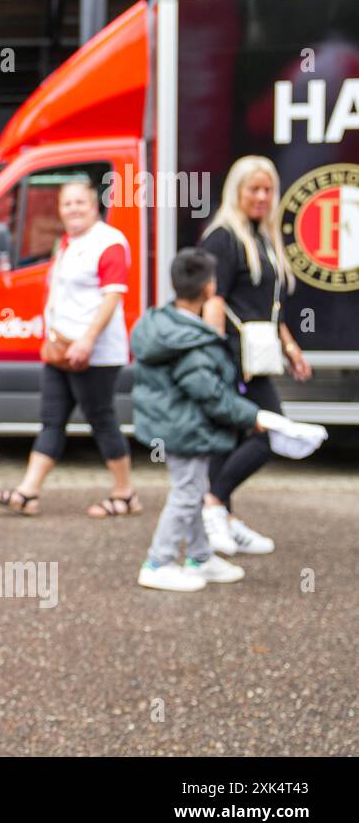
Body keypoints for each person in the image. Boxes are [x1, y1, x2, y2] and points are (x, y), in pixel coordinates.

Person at [0, 180, 137, 518]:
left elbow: (113, 296)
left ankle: (125, 493)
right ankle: (28, 492)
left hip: (95, 354)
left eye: (80, 202)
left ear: (94, 205)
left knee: (102, 420)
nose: (73, 209)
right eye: (67, 203)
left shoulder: (109, 242)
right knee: (51, 420)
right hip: (61, 349)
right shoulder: (68, 242)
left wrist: (87, 341)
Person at [132, 248, 265, 592]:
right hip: (187, 428)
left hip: (171, 425)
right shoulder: (193, 342)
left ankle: (200, 557)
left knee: (193, 489)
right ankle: (158, 562)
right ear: (209, 288)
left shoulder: (162, 324)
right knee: (187, 494)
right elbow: (211, 395)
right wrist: (253, 416)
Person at [198, 156, 308, 556]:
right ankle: (213, 506)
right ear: (237, 191)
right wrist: (210, 354)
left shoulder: (264, 237)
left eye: (267, 190)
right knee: (270, 431)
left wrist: (292, 348)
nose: (262, 197)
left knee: (230, 438)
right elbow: (214, 300)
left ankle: (220, 515)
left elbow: (269, 308)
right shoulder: (223, 238)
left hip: (257, 357)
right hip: (229, 354)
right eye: (254, 189)